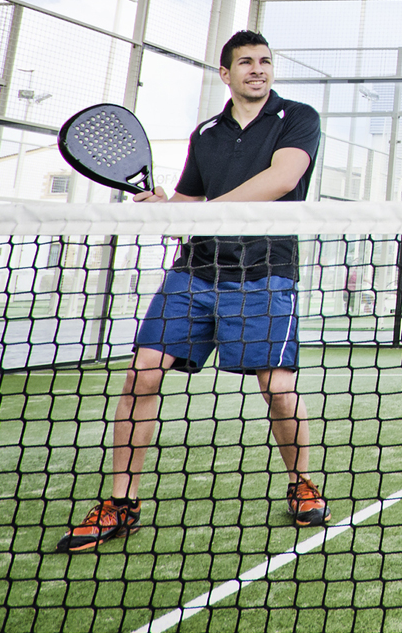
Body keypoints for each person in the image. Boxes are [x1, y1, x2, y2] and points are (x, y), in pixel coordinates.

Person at [54, 30, 327, 554]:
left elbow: (282, 178)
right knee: (142, 373)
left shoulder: (298, 118)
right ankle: (122, 502)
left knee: (276, 387)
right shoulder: (205, 133)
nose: (258, 70)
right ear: (225, 74)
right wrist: (168, 205)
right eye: (245, 63)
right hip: (195, 271)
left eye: (265, 61)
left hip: (265, 271)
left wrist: (198, 210)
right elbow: (188, 198)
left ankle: (301, 483)